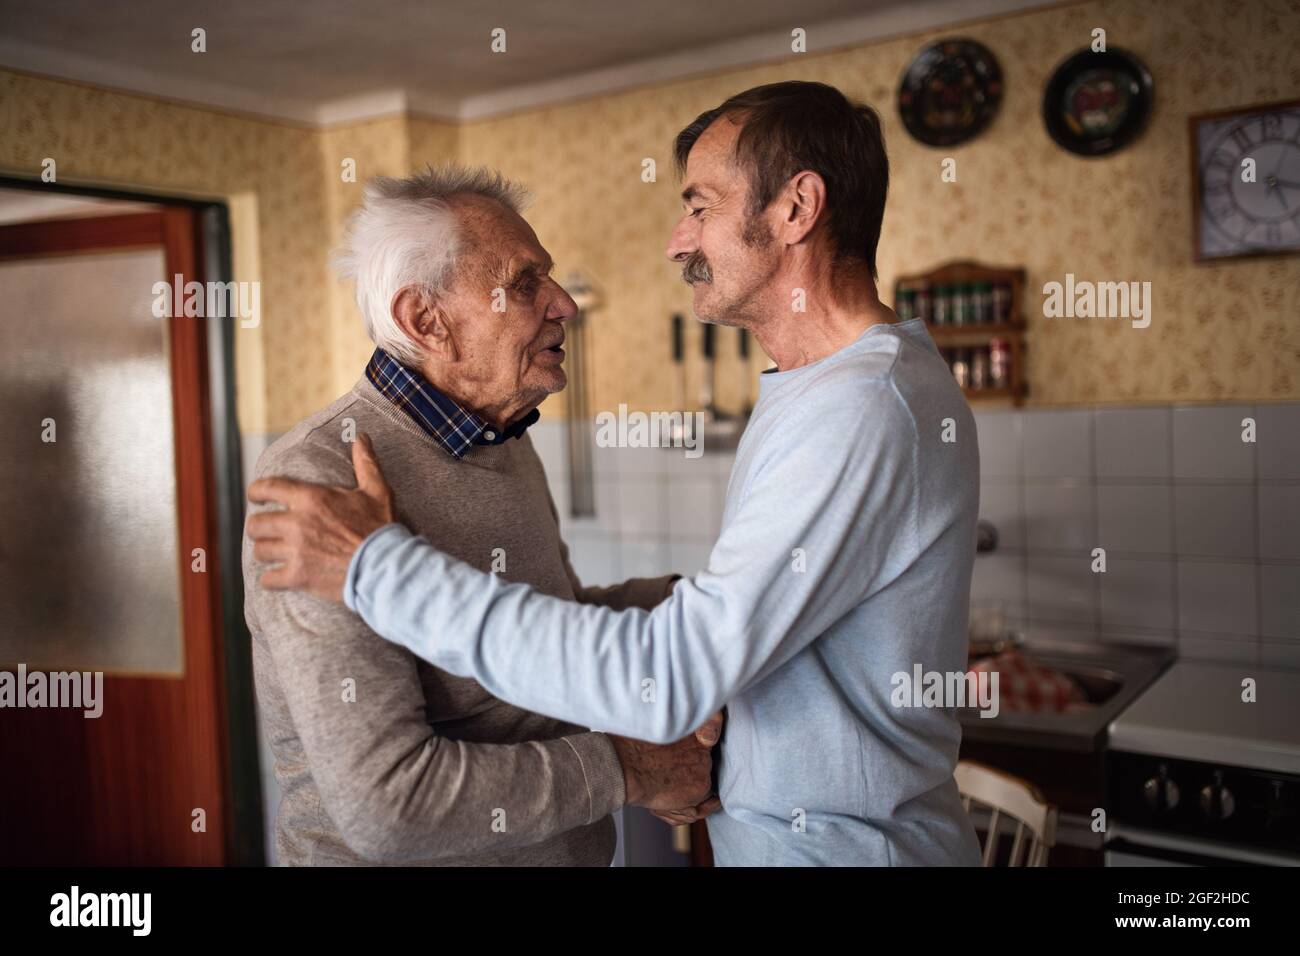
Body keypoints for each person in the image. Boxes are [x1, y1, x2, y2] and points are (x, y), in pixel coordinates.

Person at [249, 81, 983, 866]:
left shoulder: (859, 404)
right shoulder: (323, 481)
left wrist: (377, 569)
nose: (677, 240)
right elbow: (389, 808)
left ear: (796, 209)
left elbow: (667, 670)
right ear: (425, 321)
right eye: (525, 283)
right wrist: (671, 641)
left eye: (699, 205)